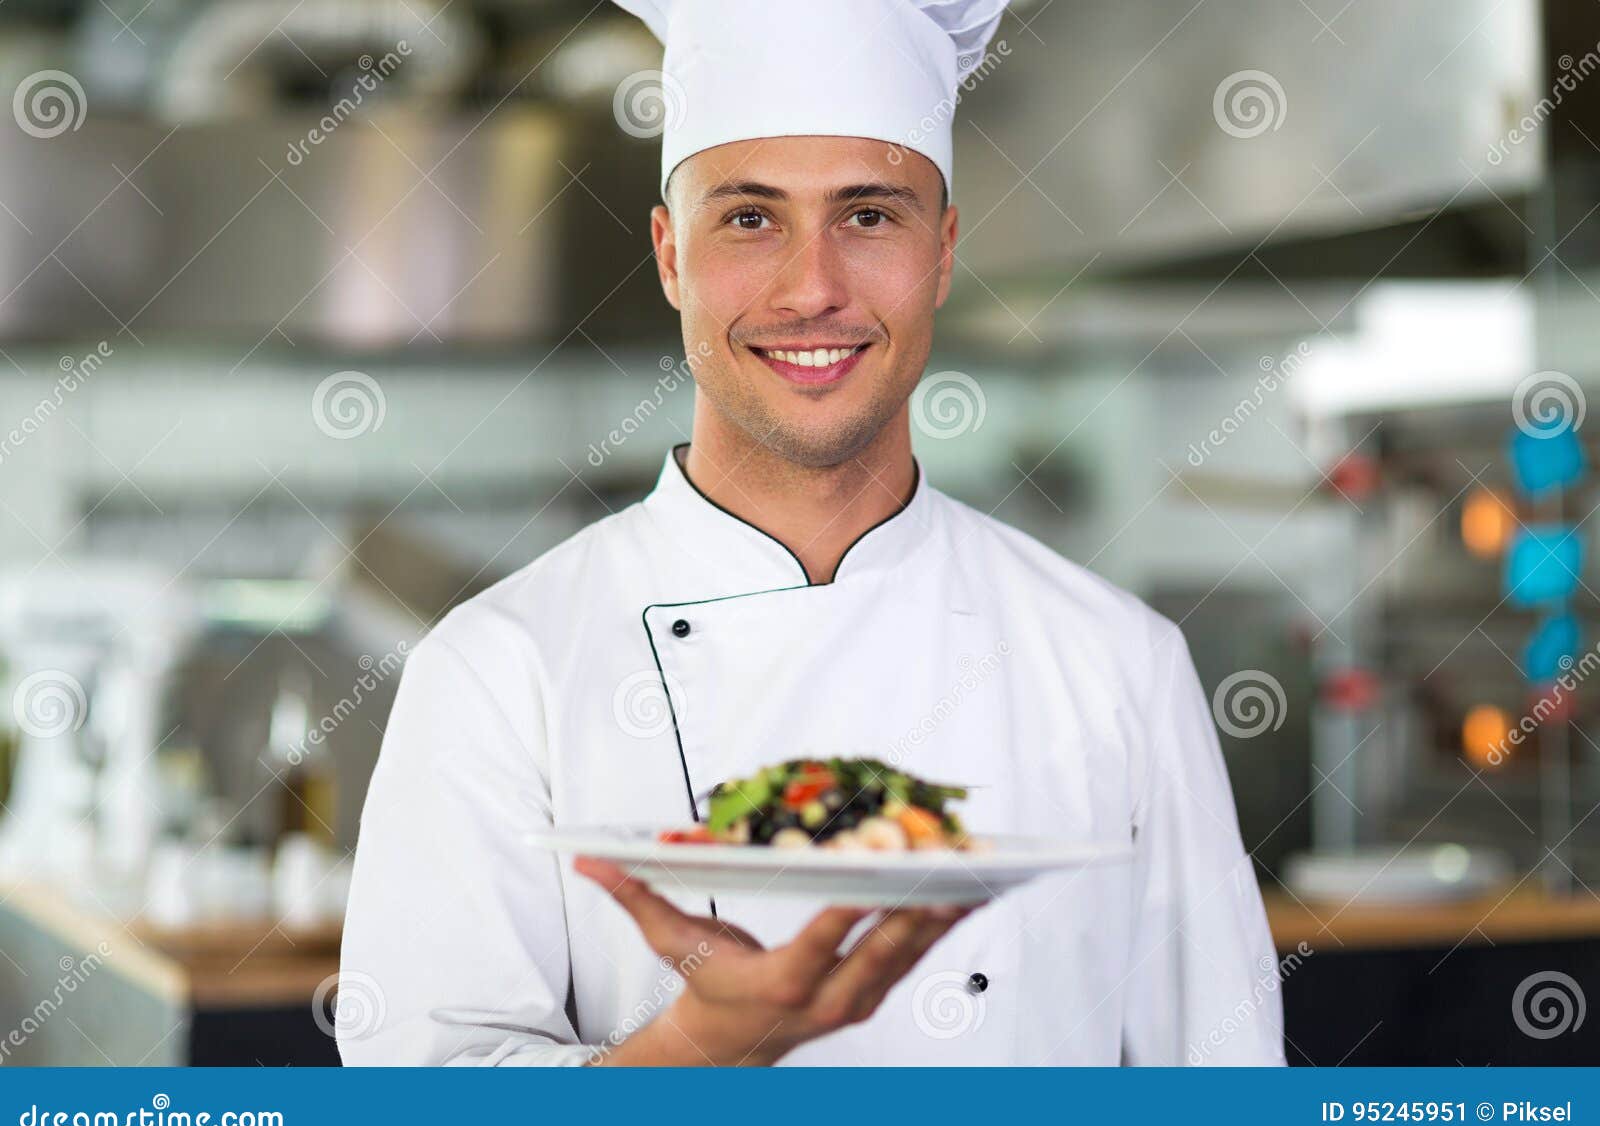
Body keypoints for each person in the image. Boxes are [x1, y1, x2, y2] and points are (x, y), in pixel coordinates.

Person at [338, 0, 1285, 1066]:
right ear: (669, 255)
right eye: (750, 217)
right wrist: (694, 1049)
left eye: (869, 215)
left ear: (941, 250)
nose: (813, 288)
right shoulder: (497, 668)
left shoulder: (1118, 663)